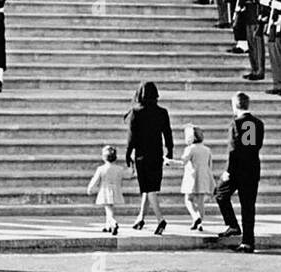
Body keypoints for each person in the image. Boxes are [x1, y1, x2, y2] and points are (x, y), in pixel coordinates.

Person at [214, 91, 264, 253]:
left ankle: (233, 225)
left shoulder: (235, 124)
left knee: (220, 194)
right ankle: (248, 241)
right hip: (253, 167)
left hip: (237, 169)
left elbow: (233, 149)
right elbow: (258, 145)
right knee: (248, 206)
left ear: (235, 106)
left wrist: (228, 171)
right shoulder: (258, 123)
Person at [125, 80, 174, 233]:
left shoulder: (136, 112)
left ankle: (160, 219)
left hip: (142, 155)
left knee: (149, 188)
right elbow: (168, 133)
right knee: (148, 188)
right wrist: (169, 151)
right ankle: (141, 217)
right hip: (156, 154)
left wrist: (128, 153)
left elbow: (131, 137)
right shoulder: (162, 112)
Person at [178, 123, 214, 231]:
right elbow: (210, 166)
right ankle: (200, 224)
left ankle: (195, 216)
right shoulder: (207, 150)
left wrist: (170, 162)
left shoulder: (190, 149)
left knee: (188, 199)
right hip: (204, 178)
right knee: (200, 202)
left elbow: (183, 162)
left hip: (192, 178)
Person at [86, 143, 123, 235]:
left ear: (103, 157)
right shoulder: (119, 169)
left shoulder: (101, 169)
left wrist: (90, 188)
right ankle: (108, 226)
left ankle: (113, 223)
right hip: (115, 190)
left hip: (105, 190)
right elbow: (127, 175)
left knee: (108, 208)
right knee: (110, 208)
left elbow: (95, 179)